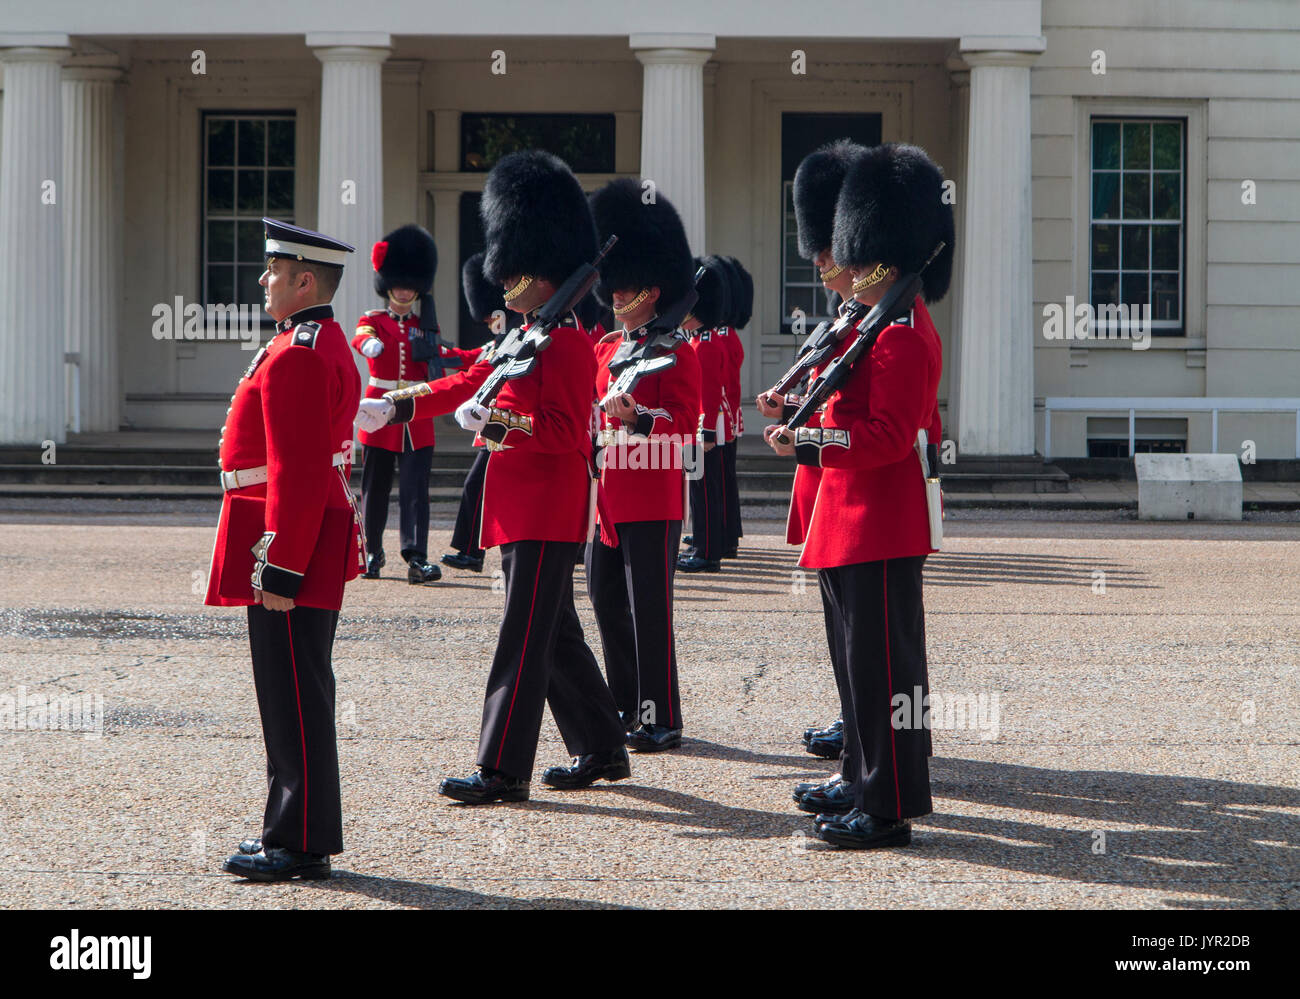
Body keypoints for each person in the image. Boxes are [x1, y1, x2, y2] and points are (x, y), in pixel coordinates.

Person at [360, 150, 630, 802]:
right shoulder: (524, 334)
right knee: (555, 633)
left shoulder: (564, 342)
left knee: (521, 637)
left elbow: (569, 431)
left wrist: (499, 426)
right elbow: (463, 382)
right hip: (520, 508)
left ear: (544, 274)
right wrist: (396, 403)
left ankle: (501, 768)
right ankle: (601, 745)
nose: (504, 278)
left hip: (547, 509)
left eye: (517, 270)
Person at [764, 143, 953, 849]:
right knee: (858, 669)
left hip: (880, 518)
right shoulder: (872, 324)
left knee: (885, 672)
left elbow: (883, 437)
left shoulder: (902, 335)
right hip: (850, 518)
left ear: (882, 256)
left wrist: (806, 442)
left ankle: (890, 804)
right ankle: (862, 777)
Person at [207, 218, 361, 881]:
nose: (263, 280)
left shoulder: (301, 349)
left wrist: (281, 563)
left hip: (286, 534)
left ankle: (296, 839)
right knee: (291, 690)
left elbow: (296, 469)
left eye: (274, 271)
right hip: (286, 526)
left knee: (293, 692)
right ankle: (293, 826)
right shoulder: (310, 340)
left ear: (305, 280)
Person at [756, 139, 865, 791]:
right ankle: (859, 724)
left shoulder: (883, 325)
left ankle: (876, 735)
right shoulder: (848, 320)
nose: (821, 260)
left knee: (868, 629)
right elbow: (833, 396)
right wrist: (792, 401)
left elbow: (875, 419)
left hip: (857, 487)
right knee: (848, 625)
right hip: (831, 484)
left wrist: (811, 435)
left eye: (830, 247)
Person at [586, 177, 701, 752]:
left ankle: (661, 716)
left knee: (649, 612)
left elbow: (686, 421)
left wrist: (640, 417)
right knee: (606, 603)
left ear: (652, 291)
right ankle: (626, 706)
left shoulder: (676, 351)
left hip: (652, 493)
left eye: (625, 289)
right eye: (613, 288)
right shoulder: (606, 347)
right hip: (607, 496)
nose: (614, 296)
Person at [353, 224, 480, 584]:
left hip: (416, 415)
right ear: (388, 285)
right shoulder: (374, 321)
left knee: (415, 491)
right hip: (379, 412)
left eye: (411, 284)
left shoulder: (425, 327)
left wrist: (476, 356)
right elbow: (360, 337)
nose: (405, 290)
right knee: (374, 490)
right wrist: (369, 346)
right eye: (400, 283)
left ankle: (416, 556)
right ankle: (371, 552)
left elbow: (444, 355)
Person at [440, 253, 507, 573]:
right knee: (479, 488)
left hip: (502, 427)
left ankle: (471, 552)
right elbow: (470, 359)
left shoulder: (508, 341)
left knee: (477, 487)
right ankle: (471, 552)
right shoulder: (498, 341)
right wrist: (440, 351)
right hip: (491, 427)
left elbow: (475, 375)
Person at [678, 256, 733, 573]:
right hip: (703, 428)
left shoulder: (705, 345)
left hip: (707, 429)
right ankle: (703, 543)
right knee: (700, 491)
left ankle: (707, 551)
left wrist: (706, 432)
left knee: (705, 492)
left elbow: (708, 395)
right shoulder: (699, 340)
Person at [717, 257, 751, 558]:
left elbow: (722, 384)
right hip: (725, 416)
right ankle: (725, 533)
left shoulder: (721, 338)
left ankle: (723, 535)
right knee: (723, 480)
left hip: (719, 418)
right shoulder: (724, 336)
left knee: (719, 481)